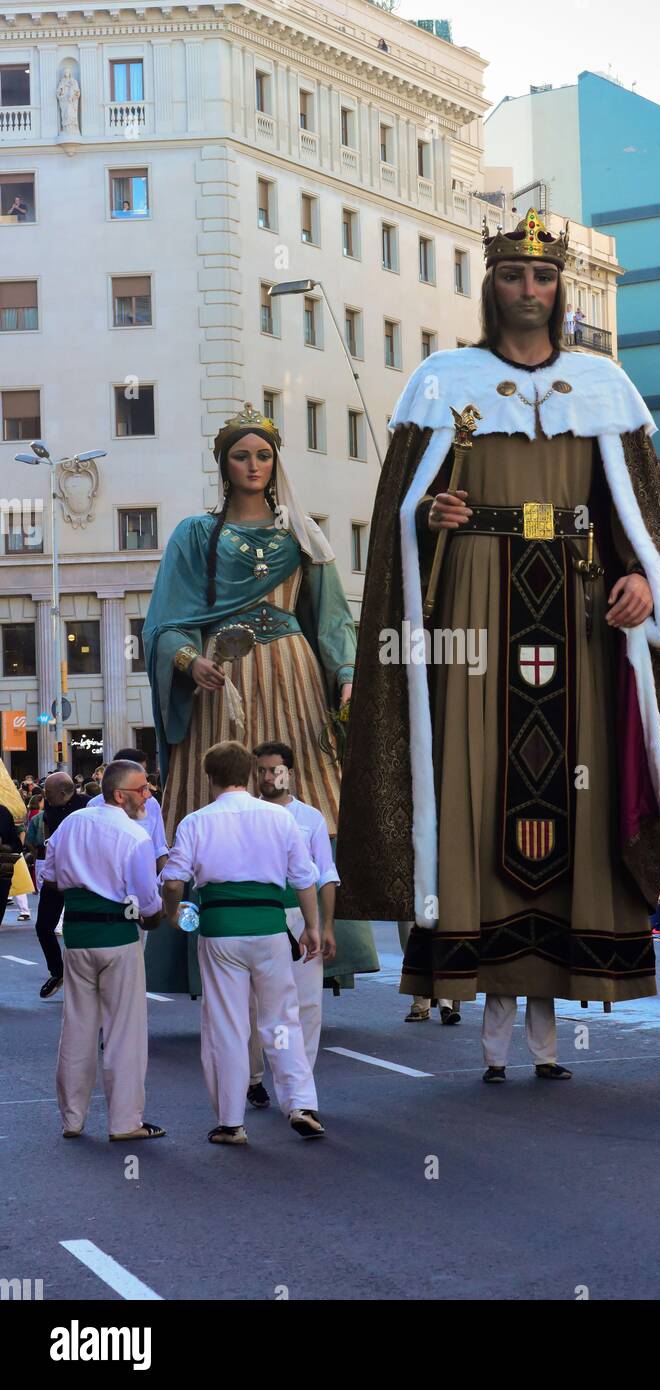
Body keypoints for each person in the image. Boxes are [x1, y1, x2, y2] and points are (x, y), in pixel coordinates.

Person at [336, 206, 660, 1081]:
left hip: (577, 611)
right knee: (474, 781)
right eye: (511, 275)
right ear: (489, 285)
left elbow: (643, 522)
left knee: (577, 790)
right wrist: (431, 518)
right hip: (472, 613)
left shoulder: (605, 385)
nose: (528, 289)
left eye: (541, 276)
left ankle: (543, 1006)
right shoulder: (440, 381)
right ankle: (490, 999)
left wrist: (642, 580)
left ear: (560, 287)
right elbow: (398, 527)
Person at [143, 401, 378, 998]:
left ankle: (319, 941)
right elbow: (168, 619)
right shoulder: (195, 534)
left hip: (294, 679)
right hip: (224, 679)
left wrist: (347, 676)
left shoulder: (302, 533)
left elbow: (330, 620)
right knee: (217, 794)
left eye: (264, 455)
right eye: (241, 455)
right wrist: (189, 660)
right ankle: (208, 947)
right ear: (224, 464)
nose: (254, 465)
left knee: (307, 794)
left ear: (276, 464)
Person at [160, 741, 324, 1143]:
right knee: (283, 1019)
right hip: (269, 929)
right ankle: (301, 1103)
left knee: (228, 1026)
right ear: (249, 774)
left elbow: (174, 879)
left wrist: (172, 914)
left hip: (219, 931)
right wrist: (314, 926)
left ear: (210, 778)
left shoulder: (196, 821)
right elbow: (304, 878)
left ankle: (231, 1121)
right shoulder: (278, 818)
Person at [43, 761, 165, 1141]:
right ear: (119, 795)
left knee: (78, 1027)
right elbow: (147, 903)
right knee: (124, 1032)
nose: (148, 795)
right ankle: (125, 1121)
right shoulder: (134, 835)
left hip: (78, 936)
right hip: (118, 938)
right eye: (142, 790)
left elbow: (48, 876)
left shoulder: (71, 824)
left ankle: (73, 1119)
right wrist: (154, 917)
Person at [246, 740, 340, 1108]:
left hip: (302, 917)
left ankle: (300, 1088)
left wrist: (325, 925)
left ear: (290, 773)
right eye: (262, 770)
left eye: (274, 770)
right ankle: (254, 1077)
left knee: (306, 1005)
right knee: (257, 1005)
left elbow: (325, 876)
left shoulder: (310, 818)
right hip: (260, 915)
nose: (268, 777)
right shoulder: (246, 814)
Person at [30, 773, 89, 998]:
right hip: (56, 874)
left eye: (49, 793)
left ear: (64, 792)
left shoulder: (86, 805)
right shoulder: (51, 811)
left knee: (79, 926)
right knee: (43, 926)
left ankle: (83, 978)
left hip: (83, 876)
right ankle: (58, 971)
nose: (46, 797)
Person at [87, 746, 168, 872]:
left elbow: (159, 848)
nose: (145, 776)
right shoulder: (94, 806)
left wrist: (162, 884)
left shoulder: (151, 804)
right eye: (140, 771)